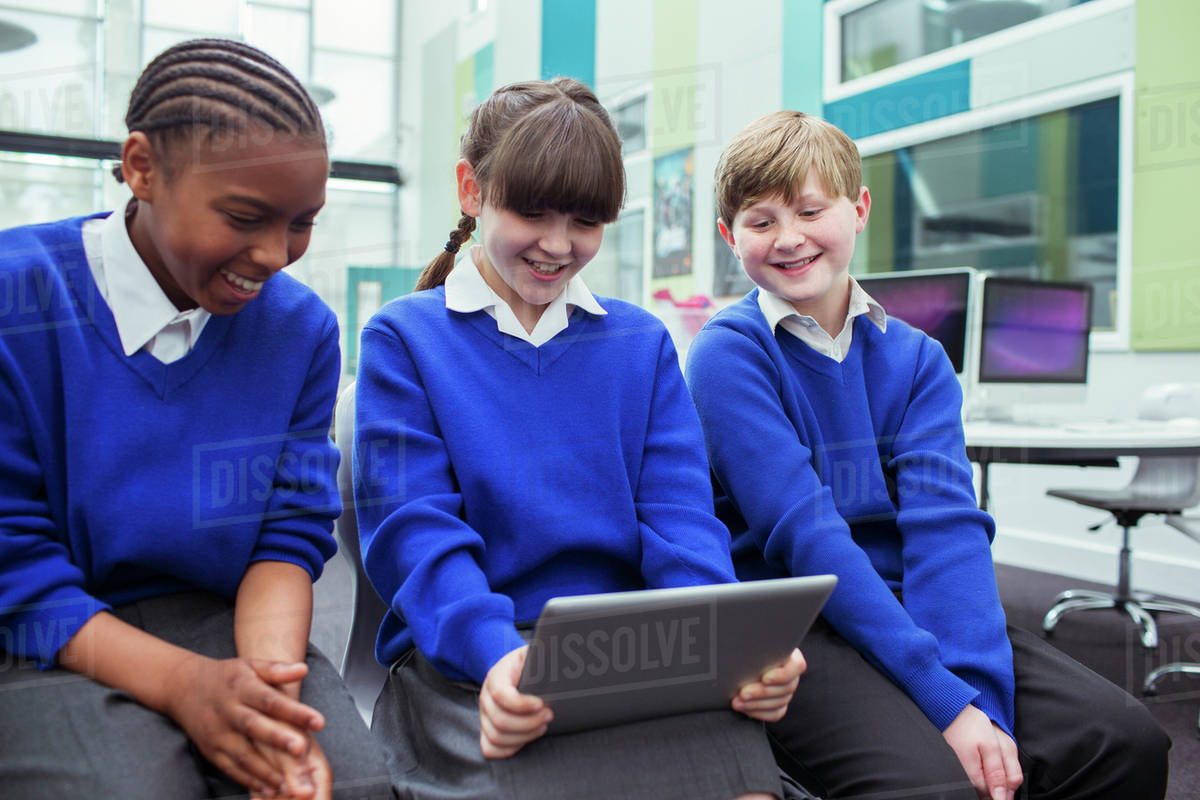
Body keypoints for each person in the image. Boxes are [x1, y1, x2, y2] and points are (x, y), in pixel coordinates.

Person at [684, 110, 1171, 800]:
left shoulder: (917, 360)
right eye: (761, 222)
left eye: (810, 210)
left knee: (1123, 739)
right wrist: (943, 701)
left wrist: (977, 702)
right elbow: (808, 536)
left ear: (859, 210)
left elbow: (946, 533)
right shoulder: (728, 355)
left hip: (911, 604)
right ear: (733, 238)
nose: (789, 238)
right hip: (798, 621)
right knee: (934, 784)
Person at [352, 78, 810, 800]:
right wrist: (499, 658)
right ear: (472, 190)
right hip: (473, 660)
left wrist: (727, 649)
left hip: (635, 655)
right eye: (531, 212)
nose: (559, 246)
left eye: (586, 221)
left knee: (745, 786)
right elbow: (417, 538)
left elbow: (684, 526)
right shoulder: (404, 340)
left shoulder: (641, 343)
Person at [0, 39, 391, 800]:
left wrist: (269, 697)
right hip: (44, 635)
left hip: (228, 620)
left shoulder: (300, 331)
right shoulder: (19, 300)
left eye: (302, 222)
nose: (277, 254)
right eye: (245, 216)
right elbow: (14, 570)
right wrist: (187, 687)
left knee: (348, 784)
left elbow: (287, 535)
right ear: (141, 168)